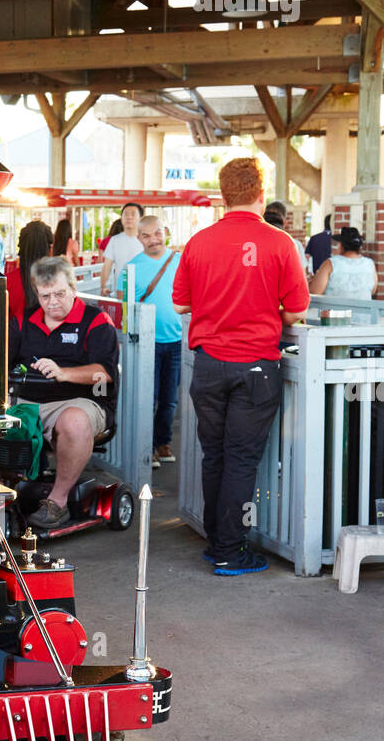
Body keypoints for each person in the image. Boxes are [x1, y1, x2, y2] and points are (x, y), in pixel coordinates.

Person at [172, 155, 309, 576]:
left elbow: (181, 303)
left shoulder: (198, 242)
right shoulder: (280, 243)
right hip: (255, 367)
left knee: (214, 457)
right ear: (260, 193)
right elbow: (296, 312)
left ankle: (218, 543)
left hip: (209, 364)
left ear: (224, 194)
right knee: (240, 461)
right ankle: (231, 551)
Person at [9, 255, 119, 530]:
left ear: (73, 287)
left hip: (80, 401)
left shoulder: (95, 321)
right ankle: (0, 500)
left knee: (73, 420)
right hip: (26, 401)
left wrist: (64, 372)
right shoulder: (23, 321)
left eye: (60, 293)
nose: (53, 302)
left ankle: (57, 503)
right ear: (37, 292)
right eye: (46, 296)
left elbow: (104, 374)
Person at [124, 216, 183, 467]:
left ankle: (162, 441)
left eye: (157, 233)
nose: (153, 240)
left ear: (165, 232)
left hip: (178, 340)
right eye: (146, 236)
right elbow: (124, 308)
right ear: (139, 238)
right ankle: (146, 447)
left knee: (170, 398)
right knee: (149, 397)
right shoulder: (132, 267)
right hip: (147, 343)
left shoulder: (180, 261)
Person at [5, 220, 54, 325]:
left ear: (21, 248)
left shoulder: (8, 281)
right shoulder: (57, 279)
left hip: (16, 339)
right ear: (48, 249)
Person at [309, 226, 378, 299]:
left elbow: (315, 292)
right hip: (364, 310)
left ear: (340, 245)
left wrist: (314, 280)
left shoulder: (331, 263)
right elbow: (372, 291)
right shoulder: (369, 264)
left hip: (335, 309)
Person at [100, 203, 144, 295]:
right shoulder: (114, 240)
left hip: (143, 292)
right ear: (121, 218)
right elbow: (107, 266)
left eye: (133, 214)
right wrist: (103, 286)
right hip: (121, 292)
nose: (129, 217)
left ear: (140, 218)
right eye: (125, 214)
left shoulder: (146, 240)